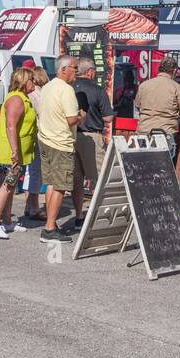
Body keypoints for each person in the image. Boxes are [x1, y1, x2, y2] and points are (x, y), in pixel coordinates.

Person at [35, 55, 83, 244]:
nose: (76, 72)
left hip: (46, 139)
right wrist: (81, 116)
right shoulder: (66, 90)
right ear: (63, 69)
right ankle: (49, 228)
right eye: (74, 68)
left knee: (52, 184)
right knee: (61, 186)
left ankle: (50, 223)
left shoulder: (47, 87)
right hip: (60, 142)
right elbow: (71, 119)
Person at [0, 67, 37, 239]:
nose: (34, 83)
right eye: (31, 79)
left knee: (11, 186)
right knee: (7, 185)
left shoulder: (23, 98)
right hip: (10, 151)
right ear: (24, 81)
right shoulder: (16, 99)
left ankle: (7, 221)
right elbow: (10, 126)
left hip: (17, 150)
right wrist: (15, 150)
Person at [70, 57, 112, 233]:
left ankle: (79, 216)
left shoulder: (69, 88)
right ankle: (104, 216)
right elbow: (108, 117)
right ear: (89, 71)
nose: (95, 73)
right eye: (94, 70)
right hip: (92, 137)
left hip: (71, 135)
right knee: (101, 178)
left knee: (76, 181)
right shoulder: (97, 89)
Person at [135, 57, 180, 157]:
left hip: (144, 132)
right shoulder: (177, 88)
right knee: (163, 167)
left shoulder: (144, 85)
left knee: (143, 165)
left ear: (159, 69)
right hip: (165, 134)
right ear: (175, 71)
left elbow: (137, 106)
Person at [22, 66, 49, 222]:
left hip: (29, 136)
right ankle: (33, 207)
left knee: (29, 171)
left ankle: (28, 205)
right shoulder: (39, 94)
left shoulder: (29, 94)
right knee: (35, 172)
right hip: (37, 135)